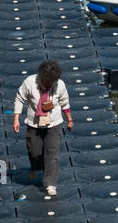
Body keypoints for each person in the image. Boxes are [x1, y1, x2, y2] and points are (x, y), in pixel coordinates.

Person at [13, 60, 73, 196]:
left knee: (52, 153)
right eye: (47, 81)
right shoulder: (29, 82)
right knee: (34, 150)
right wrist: (16, 118)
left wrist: (69, 120)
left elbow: (65, 102)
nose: (49, 84)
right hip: (34, 123)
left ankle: (50, 183)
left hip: (54, 123)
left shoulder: (60, 85)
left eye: (52, 81)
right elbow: (19, 99)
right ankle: (36, 167)